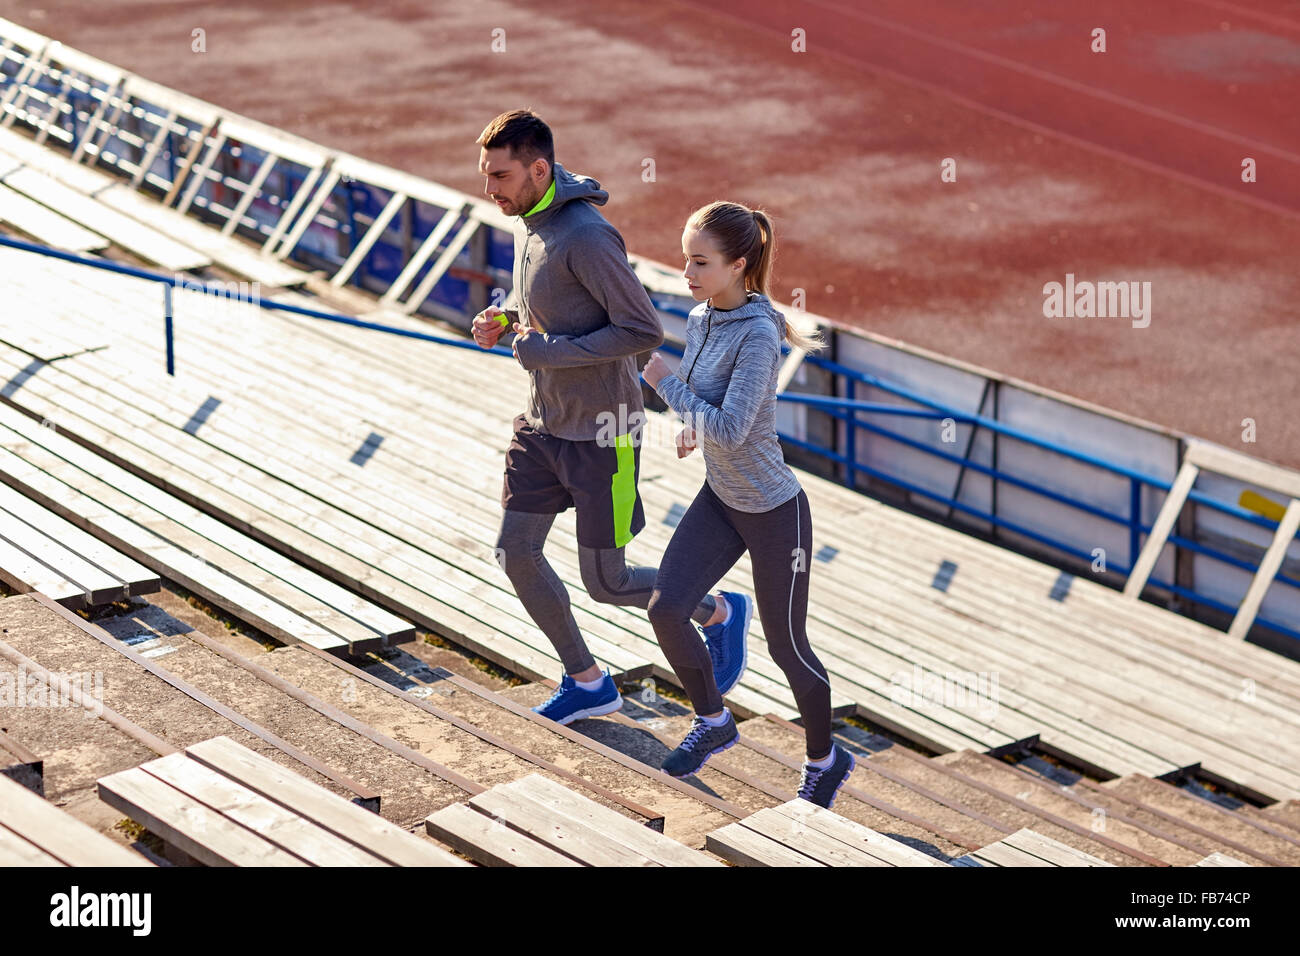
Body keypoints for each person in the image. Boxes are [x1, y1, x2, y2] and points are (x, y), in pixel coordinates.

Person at [470, 110, 755, 724]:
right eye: (486, 173)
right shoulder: (532, 220)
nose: (489, 187)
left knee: (609, 581)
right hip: (543, 424)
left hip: (605, 434)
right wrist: (508, 322)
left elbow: (640, 329)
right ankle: (588, 680)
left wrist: (548, 351)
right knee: (515, 552)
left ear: (539, 169)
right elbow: (554, 307)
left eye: (499, 174)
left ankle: (719, 611)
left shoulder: (587, 236)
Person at [640, 200, 855, 808]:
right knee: (666, 608)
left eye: (700, 262)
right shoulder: (706, 314)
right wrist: (690, 421)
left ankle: (825, 758)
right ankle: (713, 721)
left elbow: (732, 429)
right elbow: (708, 402)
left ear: (738, 265)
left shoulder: (759, 334)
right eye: (686, 258)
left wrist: (661, 380)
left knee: (789, 648)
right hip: (721, 499)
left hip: (772, 511)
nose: (686, 272)